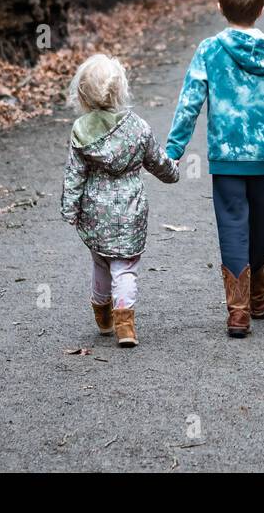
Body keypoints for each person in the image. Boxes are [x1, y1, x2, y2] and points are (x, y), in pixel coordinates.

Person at [166, 0, 264, 337]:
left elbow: (189, 103)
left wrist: (174, 149)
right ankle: (258, 294)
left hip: (226, 158)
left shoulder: (210, 50)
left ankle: (238, 312)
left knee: (231, 225)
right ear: (261, 10)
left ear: (219, 8)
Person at [61, 54, 178, 347]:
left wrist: (70, 207)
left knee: (101, 262)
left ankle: (103, 317)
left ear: (83, 94)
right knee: (124, 266)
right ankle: (125, 326)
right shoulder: (137, 127)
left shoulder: (81, 131)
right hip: (130, 211)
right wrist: (172, 172)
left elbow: (74, 174)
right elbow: (157, 161)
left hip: (94, 211)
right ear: (120, 90)